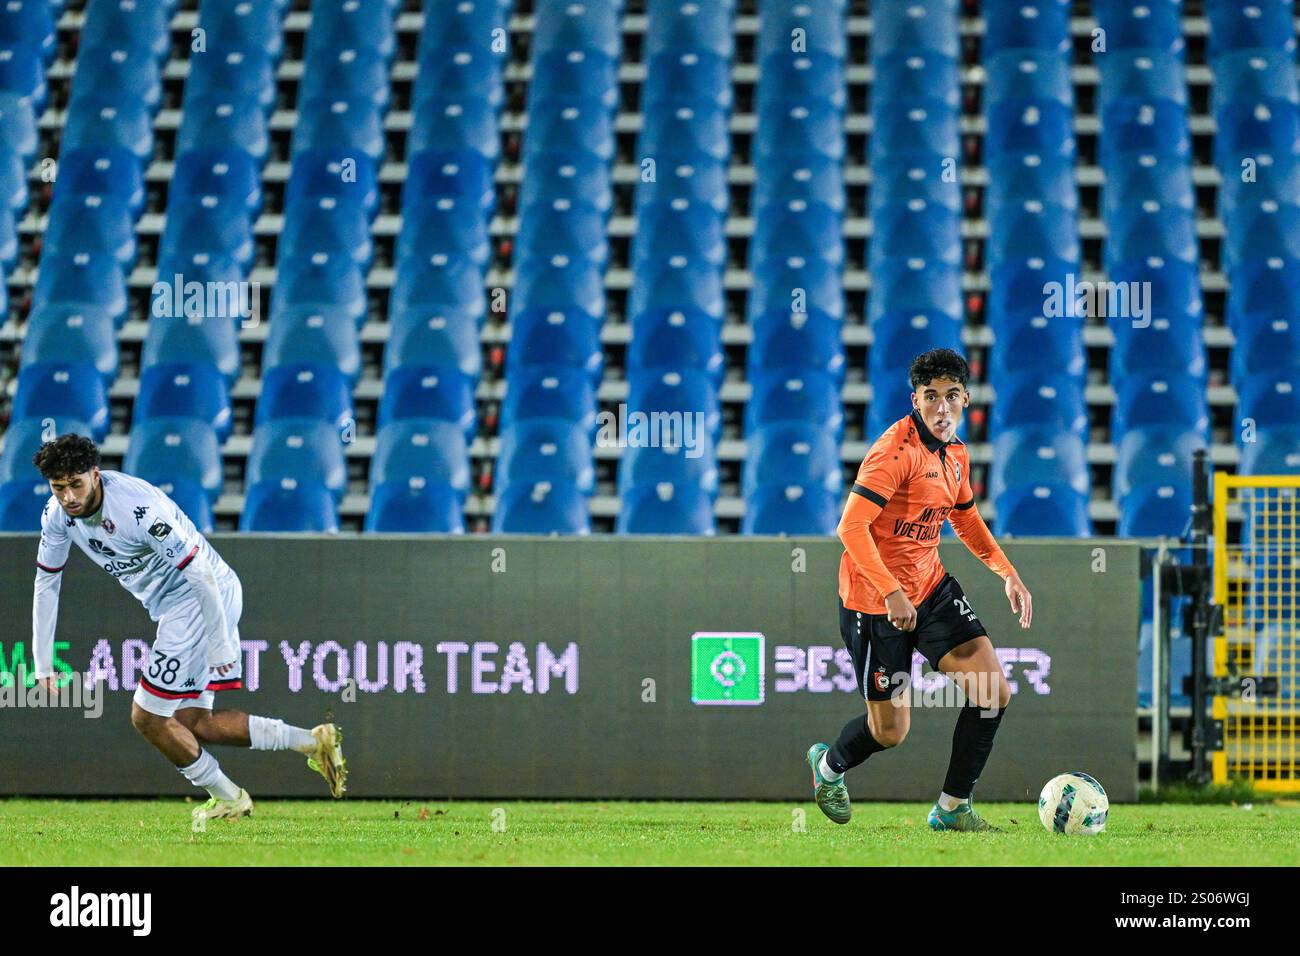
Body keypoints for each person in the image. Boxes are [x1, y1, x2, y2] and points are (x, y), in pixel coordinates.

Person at [30, 434, 347, 820]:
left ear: (95, 475)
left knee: (147, 717)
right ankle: (312, 742)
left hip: (199, 597)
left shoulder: (138, 509)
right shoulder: (57, 515)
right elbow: (47, 580)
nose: (68, 497)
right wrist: (42, 661)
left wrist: (220, 645)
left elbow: (198, 571)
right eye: (58, 487)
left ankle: (229, 797)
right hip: (179, 604)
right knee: (197, 723)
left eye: (75, 484)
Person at [806, 349, 1033, 831]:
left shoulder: (955, 454)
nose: (942, 407)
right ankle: (828, 769)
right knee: (890, 732)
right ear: (916, 400)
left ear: (966, 399)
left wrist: (1007, 572)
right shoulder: (894, 452)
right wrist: (890, 592)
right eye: (931, 397)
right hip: (873, 602)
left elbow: (965, 519)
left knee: (993, 691)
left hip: (929, 588)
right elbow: (851, 528)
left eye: (952, 396)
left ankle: (952, 809)